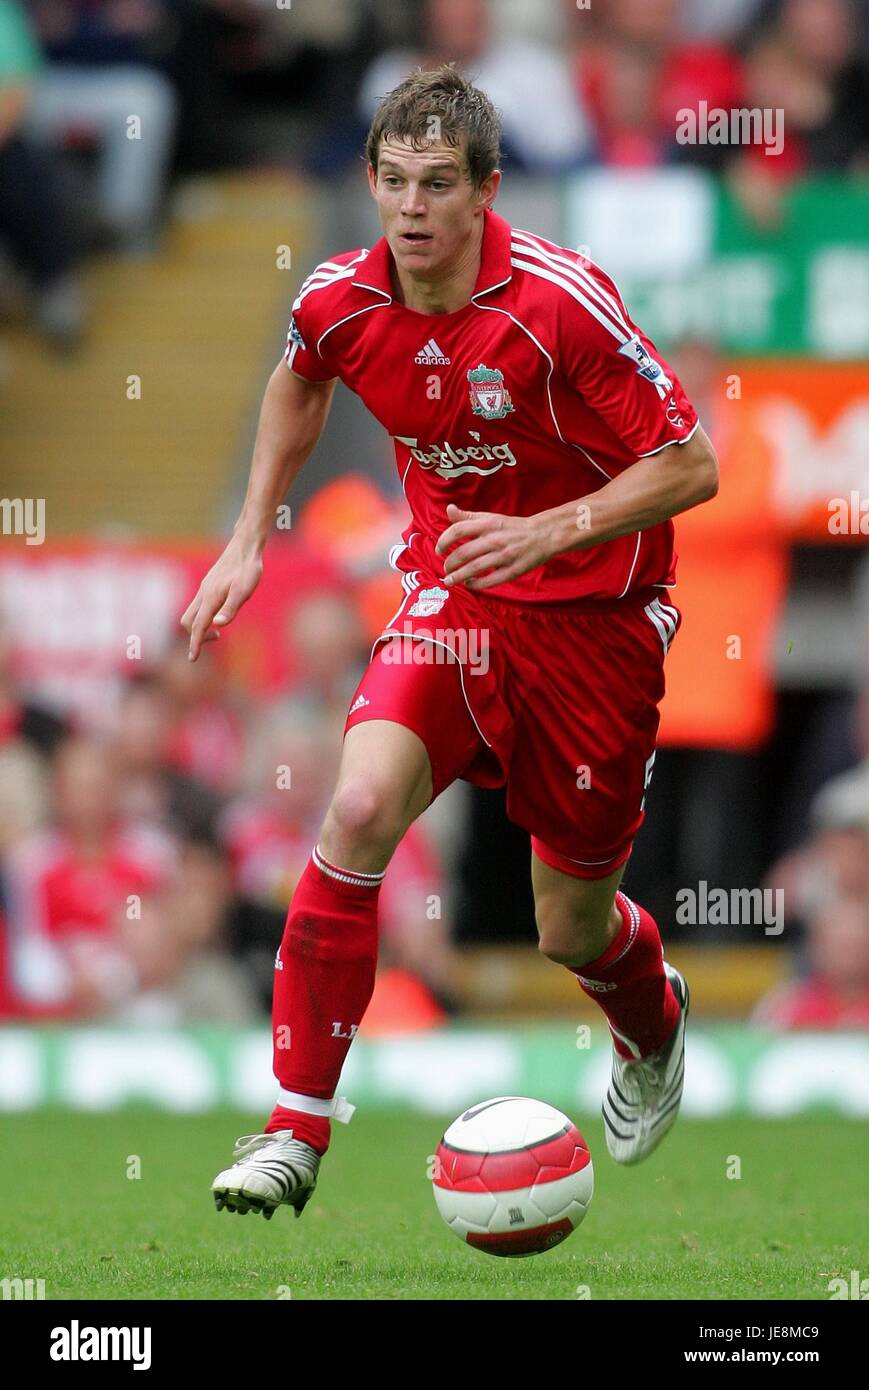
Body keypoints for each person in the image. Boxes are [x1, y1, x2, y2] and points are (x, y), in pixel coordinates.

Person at [181, 64, 719, 1221]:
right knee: (359, 807)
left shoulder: (561, 301)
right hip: (454, 604)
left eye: (436, 183)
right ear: (369, 183)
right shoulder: (340, 296)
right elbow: (300, 377)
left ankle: (649, 1017)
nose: (411, 207)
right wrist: (246, 538)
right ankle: (293, 1130)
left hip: (596, 626)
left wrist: (550, 532)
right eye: (391, 181)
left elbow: (690, 464)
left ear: (484, 191)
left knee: (565, 924)